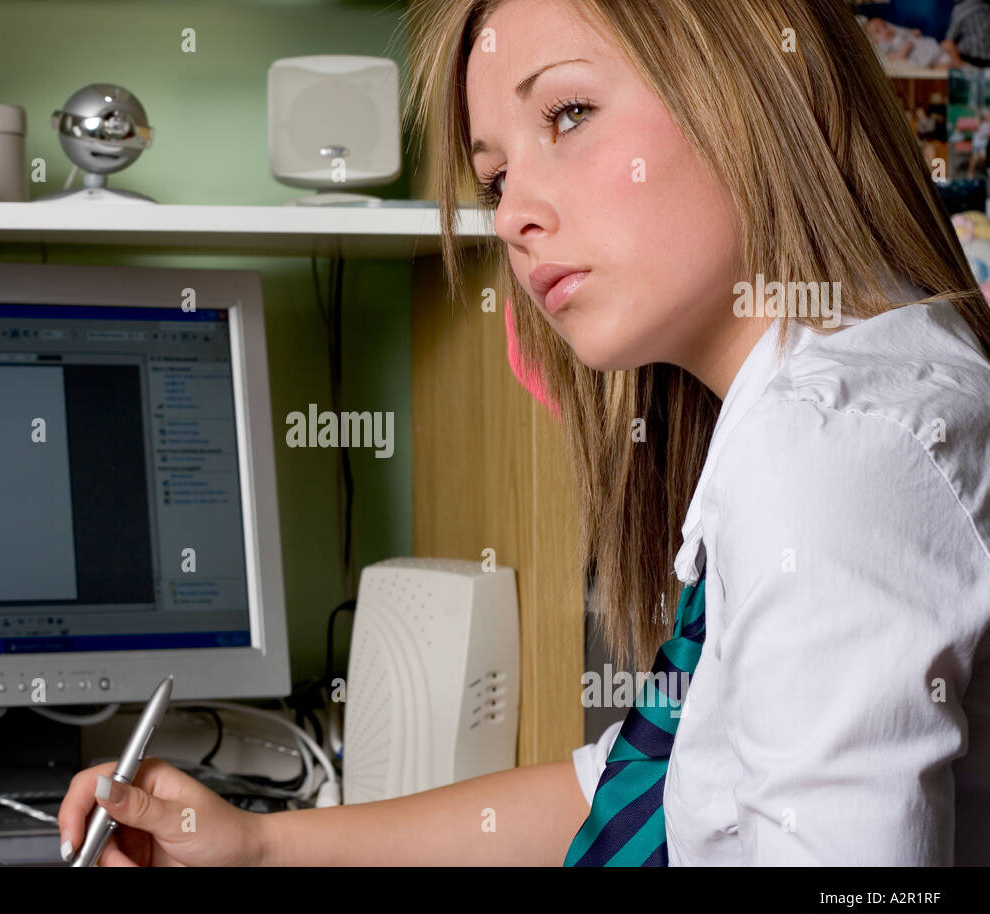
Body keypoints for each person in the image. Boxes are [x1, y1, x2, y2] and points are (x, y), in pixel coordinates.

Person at [58, 0, 990, 866]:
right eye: (495, 176)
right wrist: (261, 845)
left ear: (756, 78)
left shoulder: (831, 450)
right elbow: (654, 786)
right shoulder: (846, 394)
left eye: (571, 114)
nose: (510, 214)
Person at [943, 0, 990, 68]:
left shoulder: (962, 8)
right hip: (980, 63)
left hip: (970, 62)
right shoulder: (985, 5)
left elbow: (948, 43)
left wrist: (960, 67)